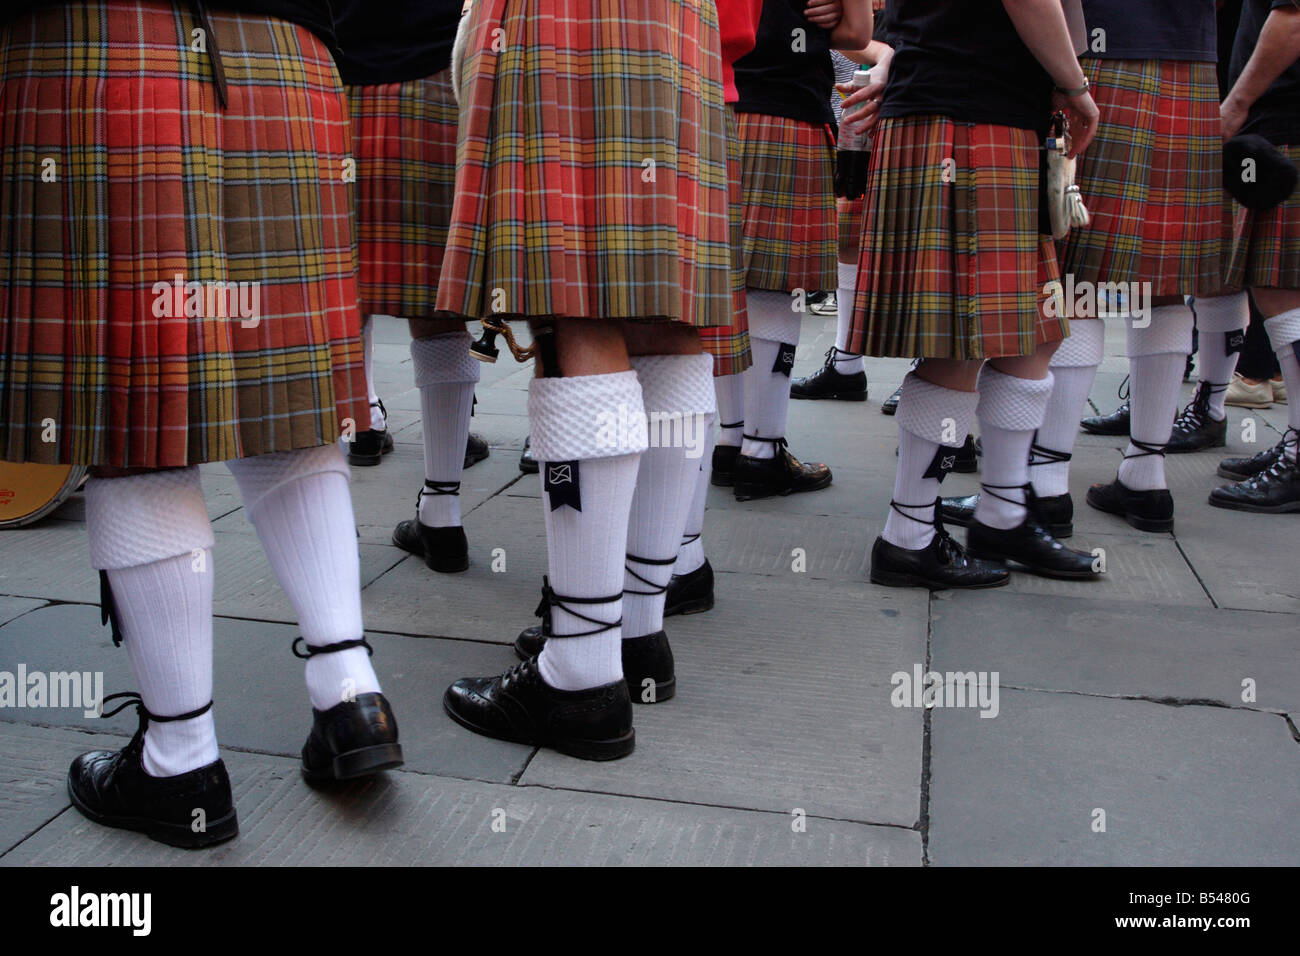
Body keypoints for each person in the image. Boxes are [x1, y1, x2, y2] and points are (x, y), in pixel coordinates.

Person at [0, 0, 403, 847]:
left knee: (137, 412)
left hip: (105, 47)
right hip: (288, 62)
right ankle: (351, 695)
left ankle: (181, 761)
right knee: (287, 401)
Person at [437, 0, 741, 760]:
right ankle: (638, 633)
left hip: (568, 17)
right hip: (678, 22)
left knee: (574, 303)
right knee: (667, 314)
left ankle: (579, 671)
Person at [844, 0, 1102, 589]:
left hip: (992, 108)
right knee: (957, 342)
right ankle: (908, 534)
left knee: (1031, 332)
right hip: (965, 114)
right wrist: (1074, 85)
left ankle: (1003, 514)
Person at [1019, 0, 1225, 534]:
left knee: (1078, 278)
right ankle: (1146, 477)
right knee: (1164, 283)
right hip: (1194, 67)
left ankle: (1045, 484)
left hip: (1102, 60)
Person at [334, 0, 485, 572]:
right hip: (434, 85)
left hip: (331, 88)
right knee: (440, 306)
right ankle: (442, 515)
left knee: (334, 300)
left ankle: (329, 535)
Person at [1209, 0, 1300, 512]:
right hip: (1281, 120)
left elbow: (1292, 15)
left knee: (1282, 290)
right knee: (1279, 289)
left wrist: (1239, 103)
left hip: (1287, 120)